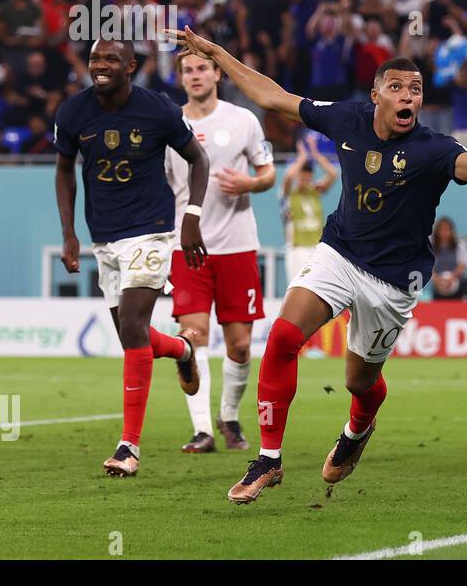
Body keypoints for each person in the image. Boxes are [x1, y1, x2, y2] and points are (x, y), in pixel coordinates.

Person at [169, 26, 467, 504]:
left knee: (360, 381)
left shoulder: (433, 150)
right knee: (283, 337)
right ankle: (268, 460)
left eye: (415, 90)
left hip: (394, 280)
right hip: (340, 251)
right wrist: (218, 54)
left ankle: (358, 427)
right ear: (376, 94)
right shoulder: (347, 119)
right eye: (396, 87)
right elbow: (274, 97)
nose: (407, 97)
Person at [53, 39, 209, 478]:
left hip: (151, 230)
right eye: (95, 59)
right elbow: (64, 170)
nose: (100, 67)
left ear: (131, 67)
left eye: (110, 60)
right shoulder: (72, 112)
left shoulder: (158, 109)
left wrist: (191, 216)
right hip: (104, 237)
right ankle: (181, 349)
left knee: (135, 326)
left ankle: (129, 446)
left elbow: (199, 160)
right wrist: (69, 234)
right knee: (130, 337)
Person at [167, 50, 276, 454]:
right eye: (187, 71)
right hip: (188, 248)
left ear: (216, 73)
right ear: (180, 79)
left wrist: (250, 183)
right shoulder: (170, 125)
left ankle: (228, 416)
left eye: (201, 68)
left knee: (241, 346)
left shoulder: (242, 120)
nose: (195, 76)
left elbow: (268, 172)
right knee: (193, 338)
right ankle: (202, 430)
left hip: (237, 246)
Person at [281, 133, 338, 286]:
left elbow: (333, 174)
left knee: (318, 288)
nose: (305, 180)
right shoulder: (289, 194)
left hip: (316, 247)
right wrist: (302, 157)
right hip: (297, 248)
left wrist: (315, 154)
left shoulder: (315, 191)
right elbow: (287, 177)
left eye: (308, 177)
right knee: (296, 286)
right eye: (302, 177)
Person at [431, 216, 467, 300]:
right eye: (442, 230)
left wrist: (452, 278)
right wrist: (437, 280)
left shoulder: (460, 245)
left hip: (459, 288)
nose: (444, 233)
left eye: (447, 230)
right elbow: (427, 266)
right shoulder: (431, 247)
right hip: (439, 289)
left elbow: (463, 265)